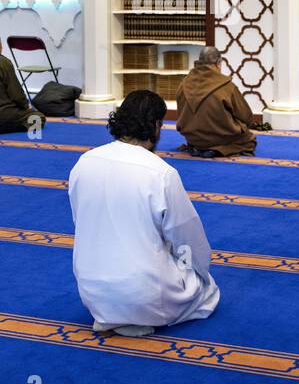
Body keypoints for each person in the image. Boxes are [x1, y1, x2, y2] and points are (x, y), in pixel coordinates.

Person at [67, 90, 220, 337]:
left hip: (92, 293)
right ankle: (137, 314)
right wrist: (200, 272)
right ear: (157, 126)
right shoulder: (161, 172)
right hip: (147, 294)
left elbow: (81, 223)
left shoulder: (84, 162)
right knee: (207, 290)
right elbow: (186, 238)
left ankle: (114, 314)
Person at [175, 46, 257, 157]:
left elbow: (180, 114)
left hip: (193, 138)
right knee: (249, 139)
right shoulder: (227, 86)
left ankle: (198, 147)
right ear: (219, 63)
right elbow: (246, 116)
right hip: (220, 138)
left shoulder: (183, 84)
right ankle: (217, 149)